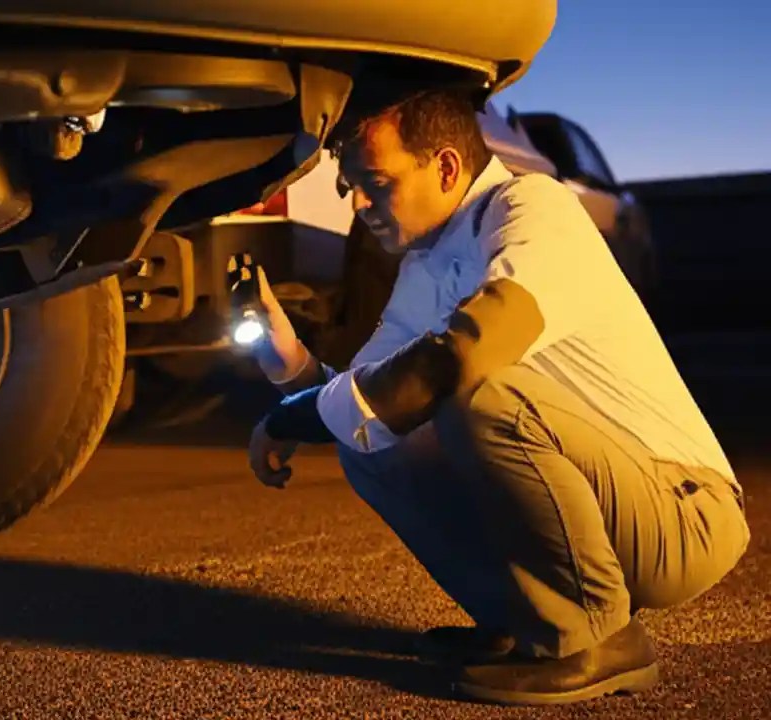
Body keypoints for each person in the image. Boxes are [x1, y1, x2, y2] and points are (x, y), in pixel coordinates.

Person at [245, 88, 749, 705]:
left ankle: (594, 637)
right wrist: (290, 369)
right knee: (373, 444)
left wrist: (292, 416)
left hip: (685, 511)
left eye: (374, 182)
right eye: (349, 189)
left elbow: (466, 355)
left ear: (447, 167)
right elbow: (371, 401)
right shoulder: (427, 264)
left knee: (475, 390)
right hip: (613, 495)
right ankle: (524, 622)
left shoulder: (533, 208)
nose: (359, 206)